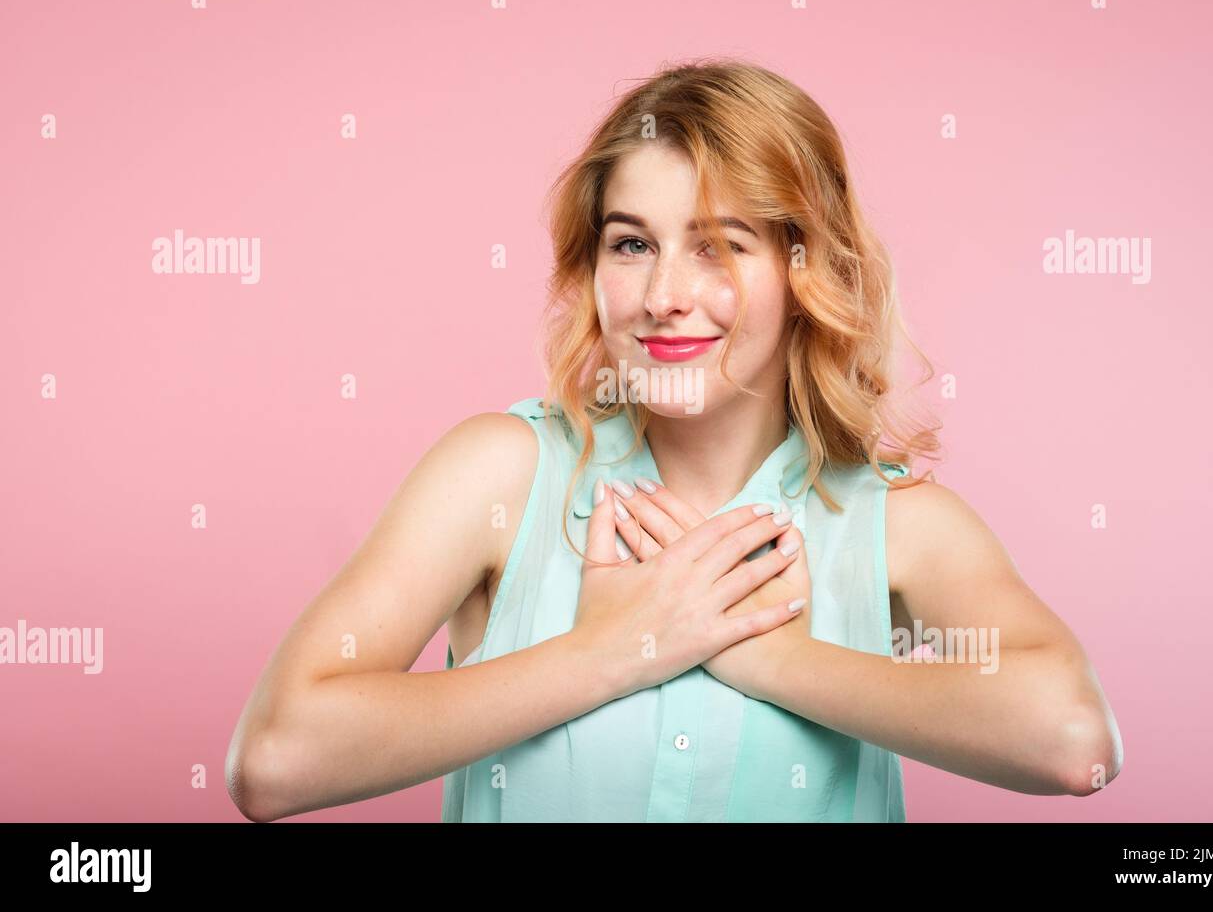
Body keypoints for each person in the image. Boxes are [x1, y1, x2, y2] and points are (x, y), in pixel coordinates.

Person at [225, 59, 1123, 823]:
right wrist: (615, 650)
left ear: (804, 268)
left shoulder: (895, 521)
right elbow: (275, 761)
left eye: (718, 247)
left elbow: (1071, 740)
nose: (663, 297)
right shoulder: (501, 473)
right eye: (630, 245)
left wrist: (766, 653)